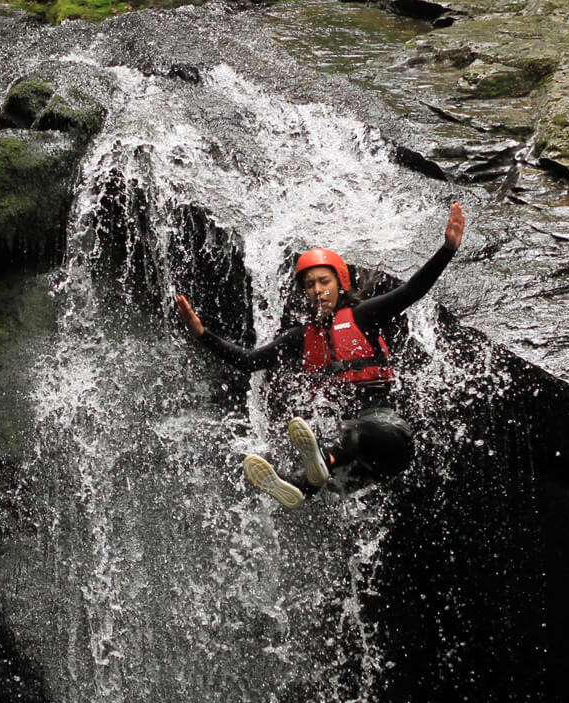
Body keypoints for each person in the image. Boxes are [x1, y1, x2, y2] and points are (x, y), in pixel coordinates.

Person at [176, 202, 466, 508]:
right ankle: (294, 484)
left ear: (340, 285)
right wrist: (202, 335)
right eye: (310, 284)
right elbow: (250, 361)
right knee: (324, 477)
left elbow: (411, 291)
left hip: (388, 438)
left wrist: (446, 250)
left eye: (324, 282)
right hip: (358, 465)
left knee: (351, 437)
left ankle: (315, 468)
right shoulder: (300, 338)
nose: (317, 290)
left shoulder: (363, 316)